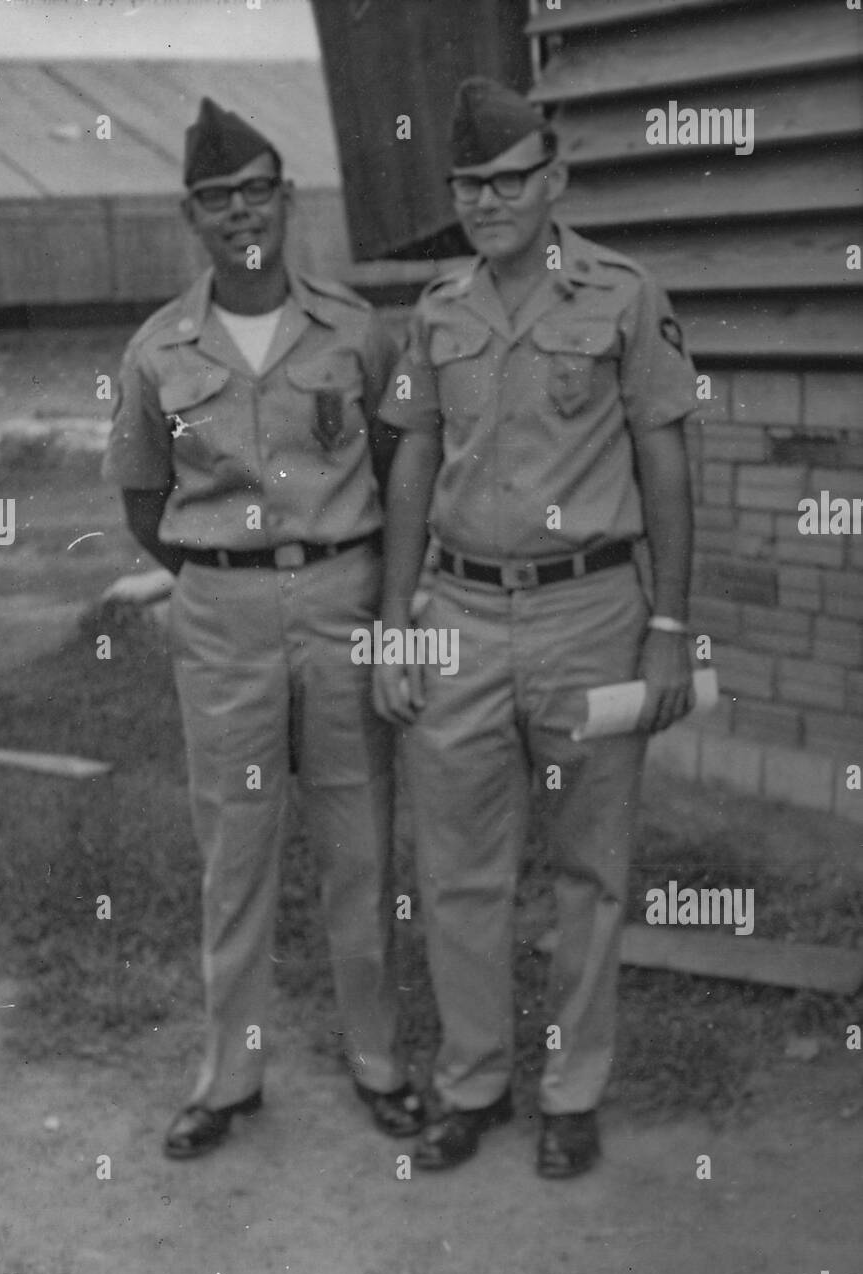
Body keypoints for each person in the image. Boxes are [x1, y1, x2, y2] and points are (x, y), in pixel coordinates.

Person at [374, 76, 697, 1177]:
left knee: (588, 868)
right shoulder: (438, 308)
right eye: (470, 183)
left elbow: (665, 458)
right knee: (457, 864)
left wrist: (670, 626)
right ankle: (472, 1083)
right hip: (457, 612)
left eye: (509, 180)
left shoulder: (620, 292)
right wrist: (392, 620)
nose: (488, 200)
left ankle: (573, 1089)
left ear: (552, 179)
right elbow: (412, 455)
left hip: (590, 610)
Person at [103, 97, 422, 1159]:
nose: (238, 212)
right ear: (189, 216)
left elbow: (391, 465)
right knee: (234, 850)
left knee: (358, 841)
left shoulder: (353, 331)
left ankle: (377, 1060)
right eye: (214, 198)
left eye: (255, 192)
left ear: (287, 202)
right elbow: (146, 502)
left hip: (341, 601)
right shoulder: (158, 350)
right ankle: (228, 1073)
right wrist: (224, 578)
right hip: (224, 615)